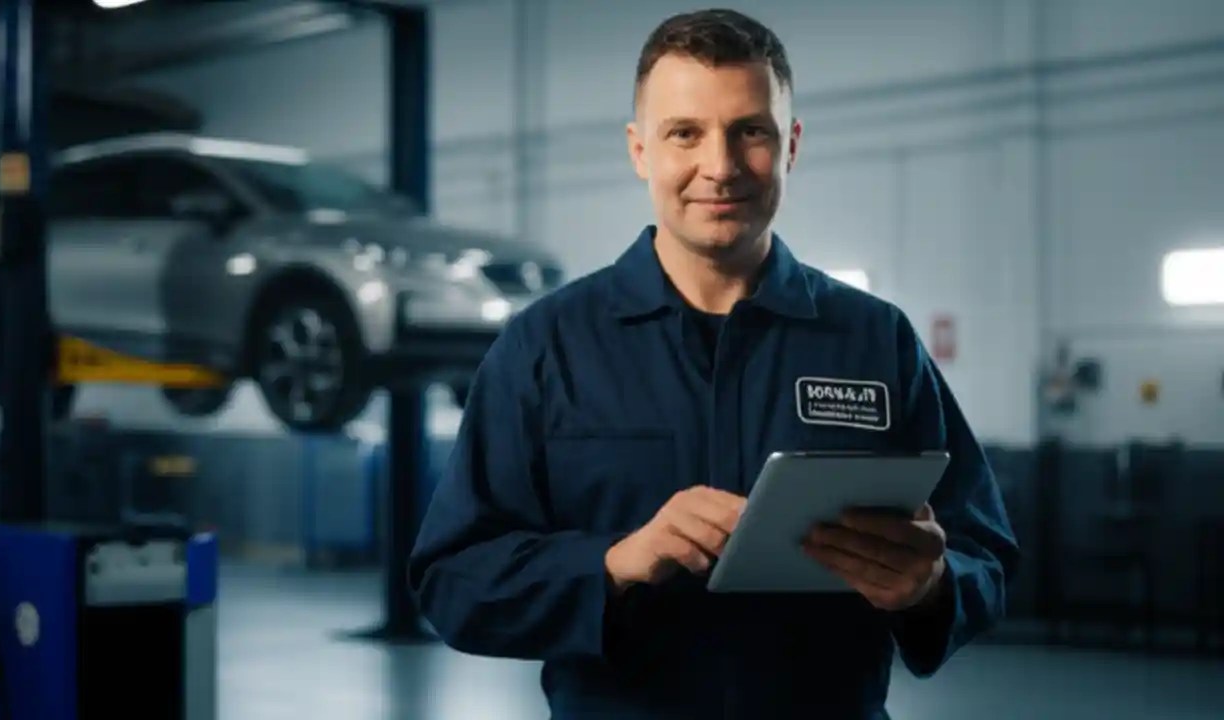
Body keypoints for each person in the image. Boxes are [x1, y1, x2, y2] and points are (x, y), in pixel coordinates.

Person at [408, 8, 1019, 719]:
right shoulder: (546, 346)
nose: (720, 167)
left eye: (750, 131)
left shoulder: (876, 340)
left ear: (791, 146)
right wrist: (612, 564)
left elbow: (985, 555)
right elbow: (453, 581)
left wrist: (932, 584)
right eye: (685, 133)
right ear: (640, 150)